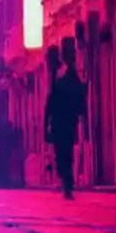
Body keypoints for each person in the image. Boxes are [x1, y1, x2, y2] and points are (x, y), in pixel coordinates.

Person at [45, 38, 88, 199]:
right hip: (64, 119)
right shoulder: (61, 73)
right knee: (64, 151)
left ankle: (67, 181)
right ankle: (67, 180)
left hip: (64, 119)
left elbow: (54, 99)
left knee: (64, 152)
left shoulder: (67, 74)